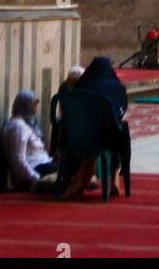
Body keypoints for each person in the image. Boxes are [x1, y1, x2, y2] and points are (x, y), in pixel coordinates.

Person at [56, 56, 131, 200]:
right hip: (105, 138)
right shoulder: (117, 88)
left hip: (76, 136)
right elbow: (120, 112)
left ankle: (77, 184)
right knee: (121, 133)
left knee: (92, 144)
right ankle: (116, 177)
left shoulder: (82, 87)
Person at [2, 91, 58, 190]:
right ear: (25, 105)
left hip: (41, 166)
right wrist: (38, 179)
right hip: (33, 172)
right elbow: (18, 160)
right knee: (70, 171)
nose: (35, 109)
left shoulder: (27, 124)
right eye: (33, 104)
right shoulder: (17, 126)